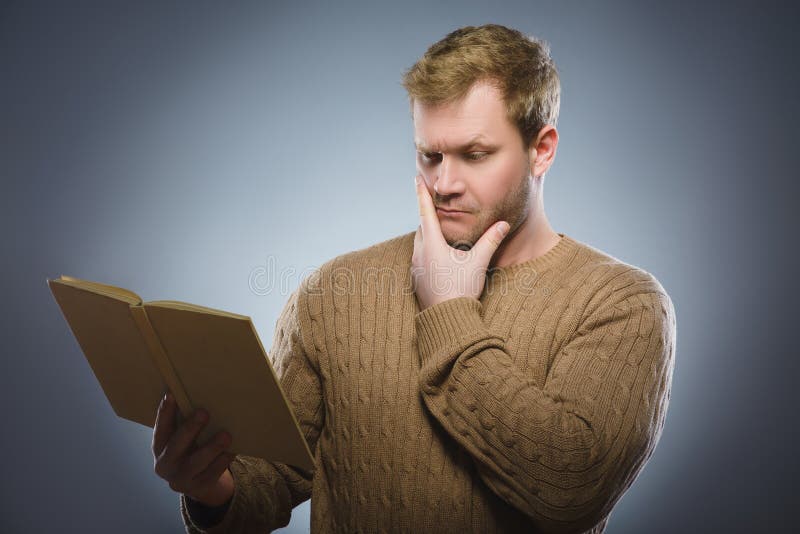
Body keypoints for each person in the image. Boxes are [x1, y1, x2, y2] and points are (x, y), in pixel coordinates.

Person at [153, 24, 677, 533]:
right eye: (430, 155)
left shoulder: (621, 303)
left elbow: (571, 490)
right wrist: (211, 487)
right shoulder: (332, 293)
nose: (444, 183)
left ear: (542, 149)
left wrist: (448, 313)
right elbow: (269, 480)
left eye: (475, 155)